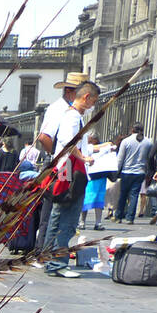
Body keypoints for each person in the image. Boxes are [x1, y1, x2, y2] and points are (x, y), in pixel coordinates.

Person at [43, 80, 100, 278]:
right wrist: (84, 157)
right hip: (70, 170)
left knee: (57, 216)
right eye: (93, 101)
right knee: (67, 218)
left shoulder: (70, 115)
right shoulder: (73, 117)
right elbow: (69, 143)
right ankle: (57, 262)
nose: (93, 105)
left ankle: (50, 259)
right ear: (86, 97)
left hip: (65, 169)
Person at [34, 71, 87, 250]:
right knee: (54, 212)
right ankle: (44, 251)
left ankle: (47, 251)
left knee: (57, 211)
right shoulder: (60, 109)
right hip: (64, 166)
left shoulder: (72, 110)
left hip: (68, 164)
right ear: (73, 92)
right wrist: (58, 158)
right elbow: (44, 137)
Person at [115, 123, 153, 224]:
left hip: (126, 171)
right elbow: (149, 158)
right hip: (140, 172)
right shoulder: (148, 142)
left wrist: (116, 171)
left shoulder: (126, 141)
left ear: (132, 130)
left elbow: (120, 158)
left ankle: (119, 216)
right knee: (134, 195)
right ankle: (130, 218)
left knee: (123, 194)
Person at [82, 133, 115, 230]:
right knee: (85, 200)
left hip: (100, 177)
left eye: (90, 140)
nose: (88, 141)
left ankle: (98, 223)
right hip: (90, 178)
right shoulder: (87, 148)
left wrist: (109, 146)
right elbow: (96, 148)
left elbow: (105, 146)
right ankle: (82, 222)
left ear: (94, 140)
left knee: (99, 201)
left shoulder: (102, 148)